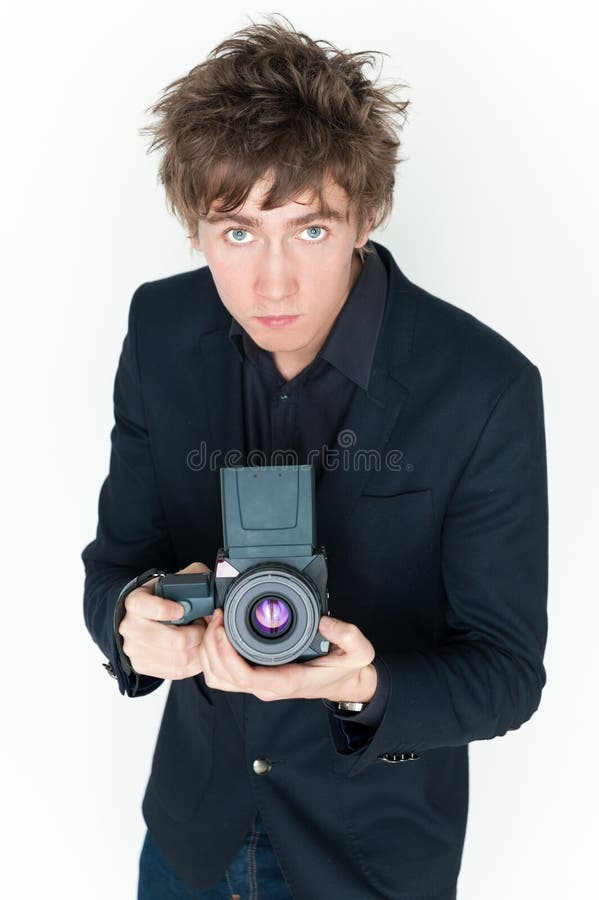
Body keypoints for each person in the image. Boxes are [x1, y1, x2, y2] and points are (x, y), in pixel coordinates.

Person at [81, 14, 549, 900]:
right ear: (194, 227)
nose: (273, 284)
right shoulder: (161, 330)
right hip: (193, 833)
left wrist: (365, 683)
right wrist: (132, 623)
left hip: (369, 857)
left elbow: (506, 674)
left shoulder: (483, 387)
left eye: (309, 231)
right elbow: (114, 567)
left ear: (365, 215)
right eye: (237, 233)